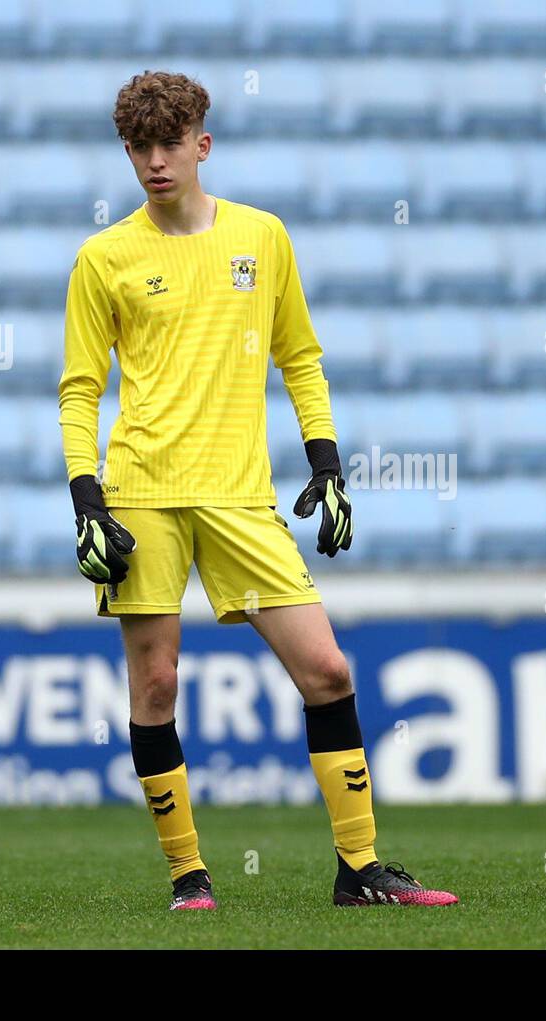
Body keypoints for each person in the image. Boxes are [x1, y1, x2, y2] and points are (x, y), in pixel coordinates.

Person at [59, 71, 457, 910]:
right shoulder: (104, 257)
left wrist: (326, 460)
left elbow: (299, 354)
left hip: (241, 496)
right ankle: (188, 876)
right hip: (142, 493)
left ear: (203, 144)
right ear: (126, 151)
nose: (156, 161)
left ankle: (361, 867)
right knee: (156, 685)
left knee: (328, 668)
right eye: (140, 146)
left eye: (171, 143)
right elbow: (80, 388)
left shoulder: (262, 237)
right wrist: (86, 495)